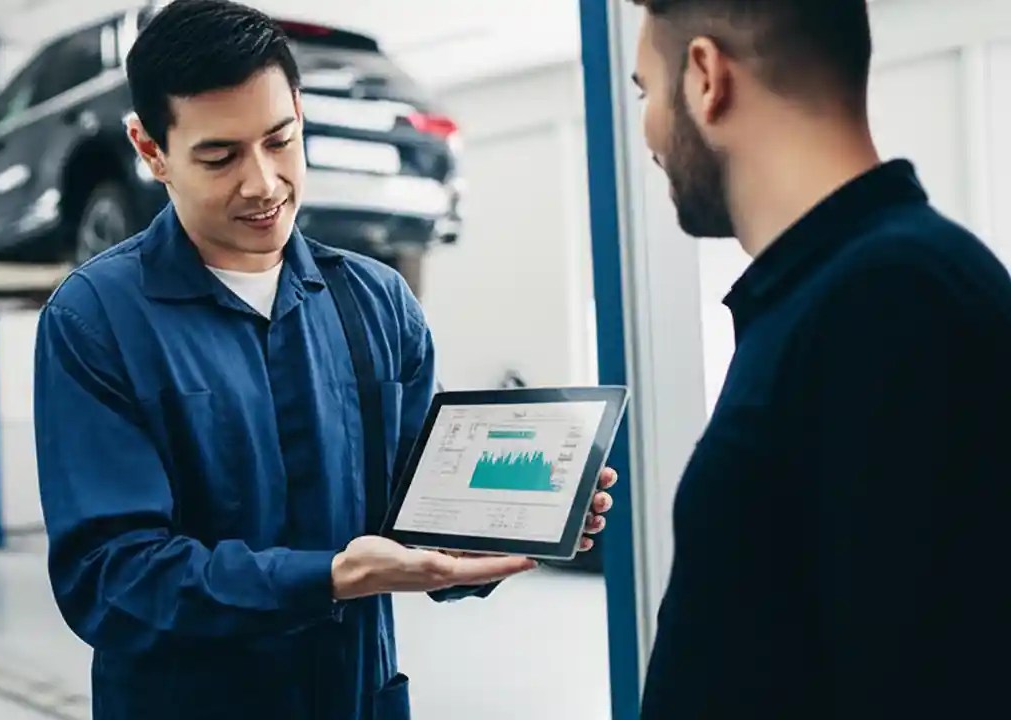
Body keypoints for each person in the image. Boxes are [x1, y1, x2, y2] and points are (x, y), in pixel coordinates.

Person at [32, 1, 615, 718]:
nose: (264, 183)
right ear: (151, 150)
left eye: (280, 140)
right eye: (220, 156)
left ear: (301, 112)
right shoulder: (97, 320)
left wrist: (516, 519)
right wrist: (327, 577)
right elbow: (112, 580)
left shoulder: (378, 303)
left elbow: (419, 521)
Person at [627, 0, 1011, 717]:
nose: (647, 132)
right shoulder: (828, 294)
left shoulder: (893, 301)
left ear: (707, 77)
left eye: (646, 91)